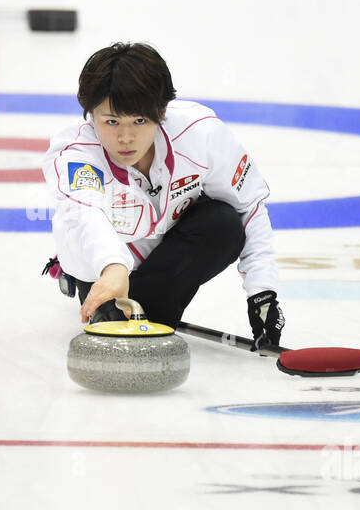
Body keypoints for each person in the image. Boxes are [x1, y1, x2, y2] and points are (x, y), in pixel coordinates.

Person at [41, 42, 286, 351]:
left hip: (166, 251)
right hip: (104, 265)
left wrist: (262, 293)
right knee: (86, 237)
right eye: (111, 121)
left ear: (162, 112)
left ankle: (137, 309)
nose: (125, 137)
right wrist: (113, 269)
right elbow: (86, 215)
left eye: (140, 121)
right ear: (90, 115)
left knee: (223, 225)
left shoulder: (202, 135)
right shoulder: (75, 152)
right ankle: (100, 293)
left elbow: (248, 206)